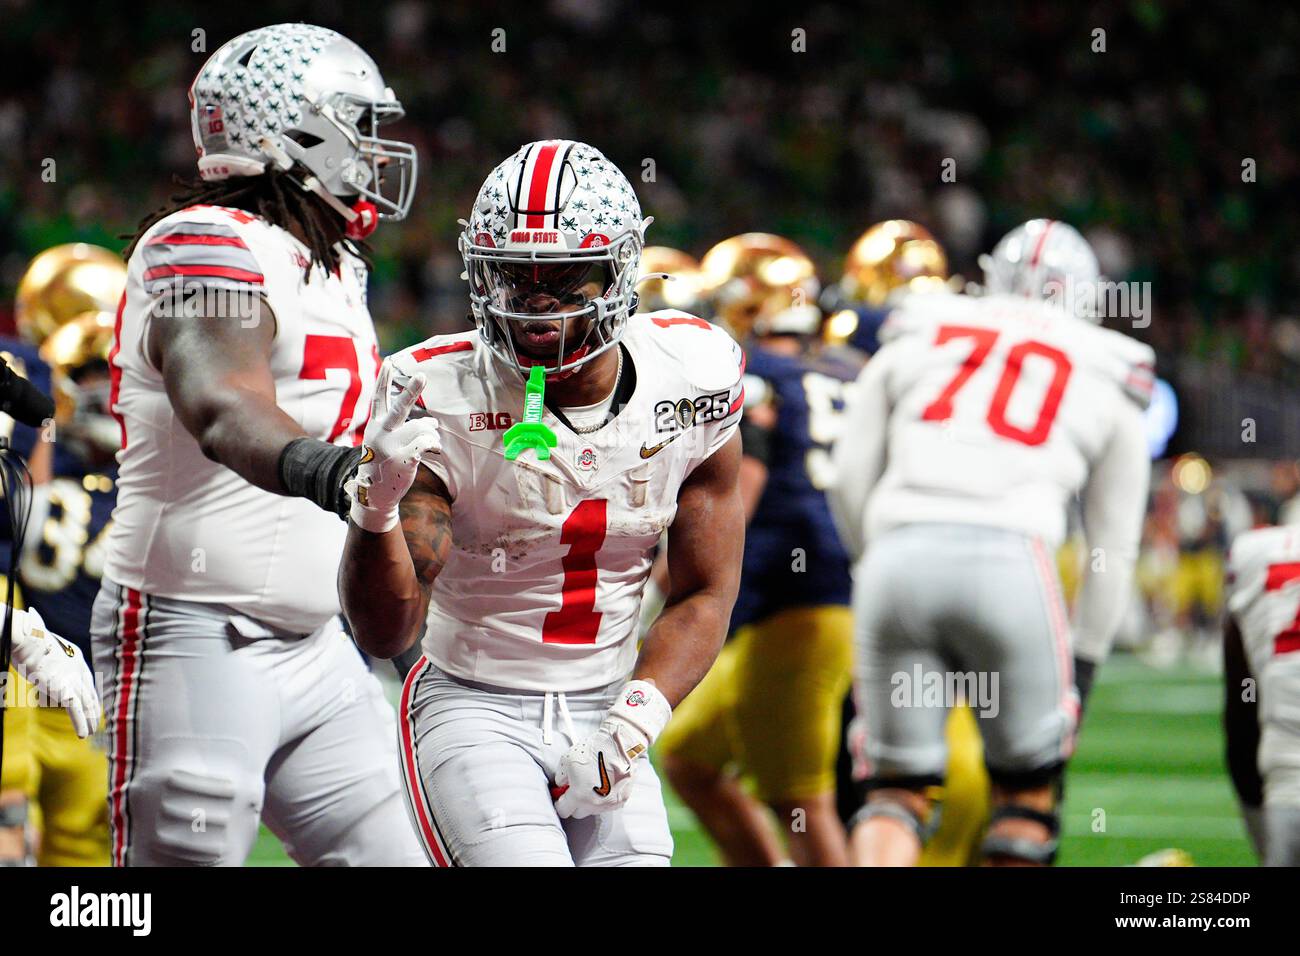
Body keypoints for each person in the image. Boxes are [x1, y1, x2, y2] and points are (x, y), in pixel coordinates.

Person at [339, 139, 746, 867]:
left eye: (563, 276)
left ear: (620, 269)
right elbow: (383, 629)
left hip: (608, 701)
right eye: (512, 277)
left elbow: (706, 590)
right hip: (473, 704)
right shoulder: (435, 390)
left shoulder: (692, 375)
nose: (535, 304)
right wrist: (373, 512)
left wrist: (634, 719)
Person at [92, 23, 424, 866]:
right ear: (293, 128)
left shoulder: (328, 264)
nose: (378, 151)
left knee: (408, 854)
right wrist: (340, 474)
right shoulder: (204, 241)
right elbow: (221, 405)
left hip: (315, 645)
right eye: (358, 122)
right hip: (190, 631)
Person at [829, 219, 1154, 866]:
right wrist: (1084, 663)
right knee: (1025, 802)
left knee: (894, 795)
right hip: (1012, 558)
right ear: (1087, 295)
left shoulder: (921, 329)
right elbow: (1111, 550)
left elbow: (845, 479)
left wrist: (880, 556)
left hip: (898, 550)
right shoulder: (1110, 367)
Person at [657, 233, 858, 866]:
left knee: (799, 799)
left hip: (798, 610)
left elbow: (744, 487)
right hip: (831, 595)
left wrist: (678, 564)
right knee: (689, 755)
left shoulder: (754, 376)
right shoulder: (843, 366)